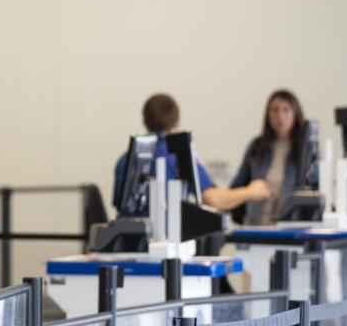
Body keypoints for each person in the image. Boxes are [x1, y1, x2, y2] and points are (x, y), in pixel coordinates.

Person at [113, 94, 267, 217]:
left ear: (145, 120)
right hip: (166, 238)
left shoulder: (125, 160)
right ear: (177, 121)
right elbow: (213, 199)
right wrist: (251, 191)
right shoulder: (176, 155)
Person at [228, 89, 312, 225]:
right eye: (275, 110)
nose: (280, 116)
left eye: (286, 110)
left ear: (295, 113)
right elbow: (237, 186)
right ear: (268, 115)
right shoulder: (257, 146)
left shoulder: (307, 150)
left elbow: (313, 191)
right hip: (255, 225)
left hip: (289, 226)